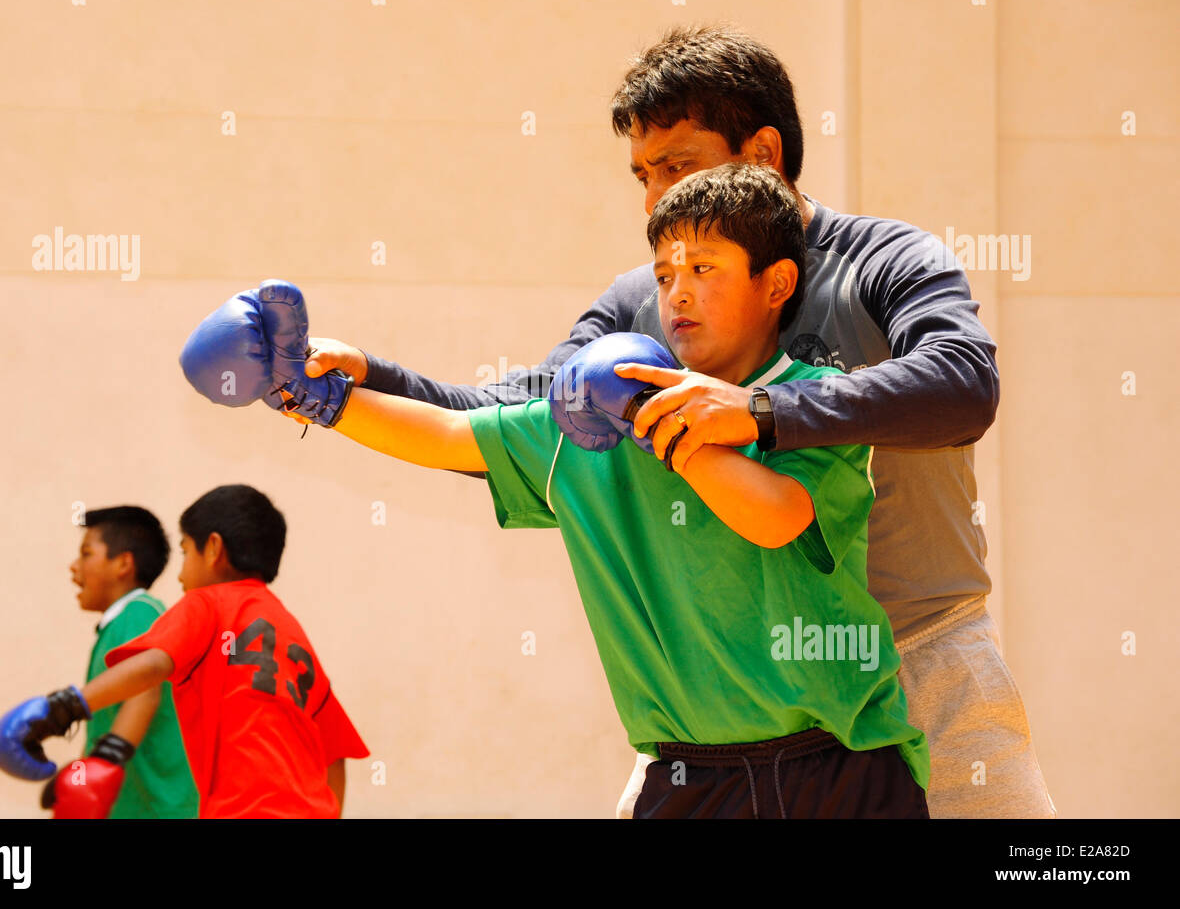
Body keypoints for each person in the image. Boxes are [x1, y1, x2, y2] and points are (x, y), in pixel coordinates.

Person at [292, 26, 1053, 819]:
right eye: (642, 176)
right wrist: (359, 382)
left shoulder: (886, 257)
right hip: (729, 708)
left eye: (677, 166)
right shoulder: (647, 300)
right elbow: (523, 414)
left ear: (761, 154)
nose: (655, 199)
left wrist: (759, 411)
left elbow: (965, 384)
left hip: (919, 653)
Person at [181, 164, 931, 818]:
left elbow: (773, 517)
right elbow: (447, 434)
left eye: (704, 269)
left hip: (840, 768)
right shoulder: (590, 413)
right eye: (665, 274)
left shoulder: (808, 401)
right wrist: (323, 396)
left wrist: (648, 420)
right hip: (688, 776)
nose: (678, 294)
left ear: (776, 285)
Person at [0, 485, 369, 819]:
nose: (179, 574)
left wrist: (59, 710)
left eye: (186, 551)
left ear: (214, 550)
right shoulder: (291, 631)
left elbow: (152, 666)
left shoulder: (205, 602)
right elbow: (334, 753)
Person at [46, 505, 197, 818]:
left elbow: (145, 691)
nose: (74, 567)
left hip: (158, 809)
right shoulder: (117, 625)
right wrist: (79, 770)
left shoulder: (140, 613)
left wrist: (101, 764)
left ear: (123, 564)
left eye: (86, 554)